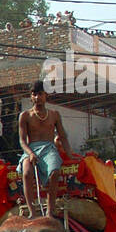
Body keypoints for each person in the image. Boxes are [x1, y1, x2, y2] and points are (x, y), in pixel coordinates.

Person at [18, 80, 72, 218]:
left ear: (46, 95)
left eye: (40, 94)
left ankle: (50, 210)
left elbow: (63, 136)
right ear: (31, 96)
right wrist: (30, 154)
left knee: (54, 172)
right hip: (31, 149)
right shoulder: (25, 116)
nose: (37, 97)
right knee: (26, 173)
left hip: (49, 149)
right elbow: (22, 140)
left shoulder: (54, 114)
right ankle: (32, 211)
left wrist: (71, 156)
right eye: (34, 94)